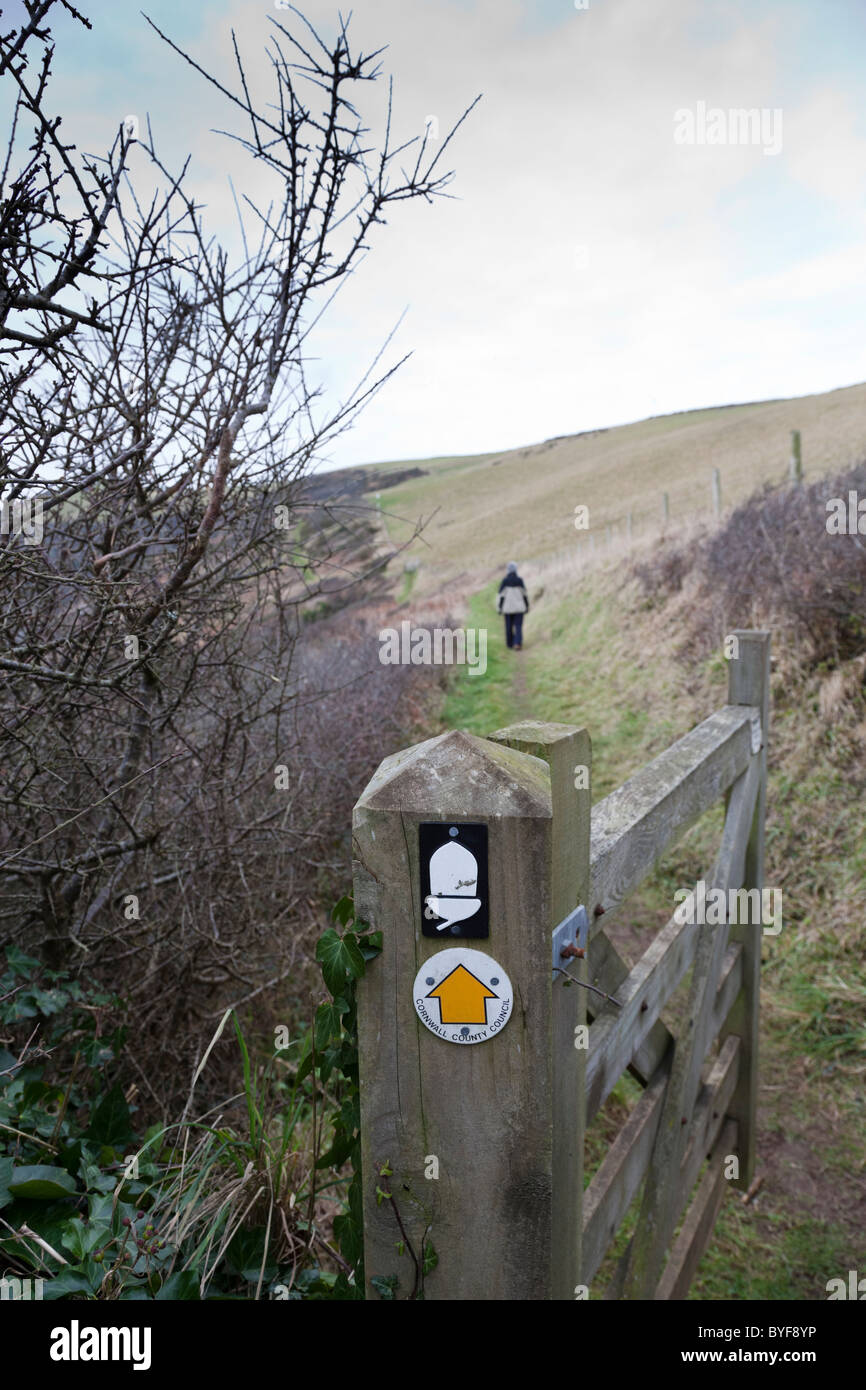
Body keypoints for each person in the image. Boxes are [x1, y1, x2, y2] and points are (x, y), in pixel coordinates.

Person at [497, 561, 529, 649]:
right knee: (518, 626)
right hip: (519, 608)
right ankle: (517, 643)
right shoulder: (519, 580)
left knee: (508, 626)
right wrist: (526, 606)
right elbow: (524, 595)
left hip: (507, 609)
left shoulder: (505, 581)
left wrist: (500, 608)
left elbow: (501, 596)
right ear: (515, 570)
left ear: (508, 570)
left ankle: (509, 644)